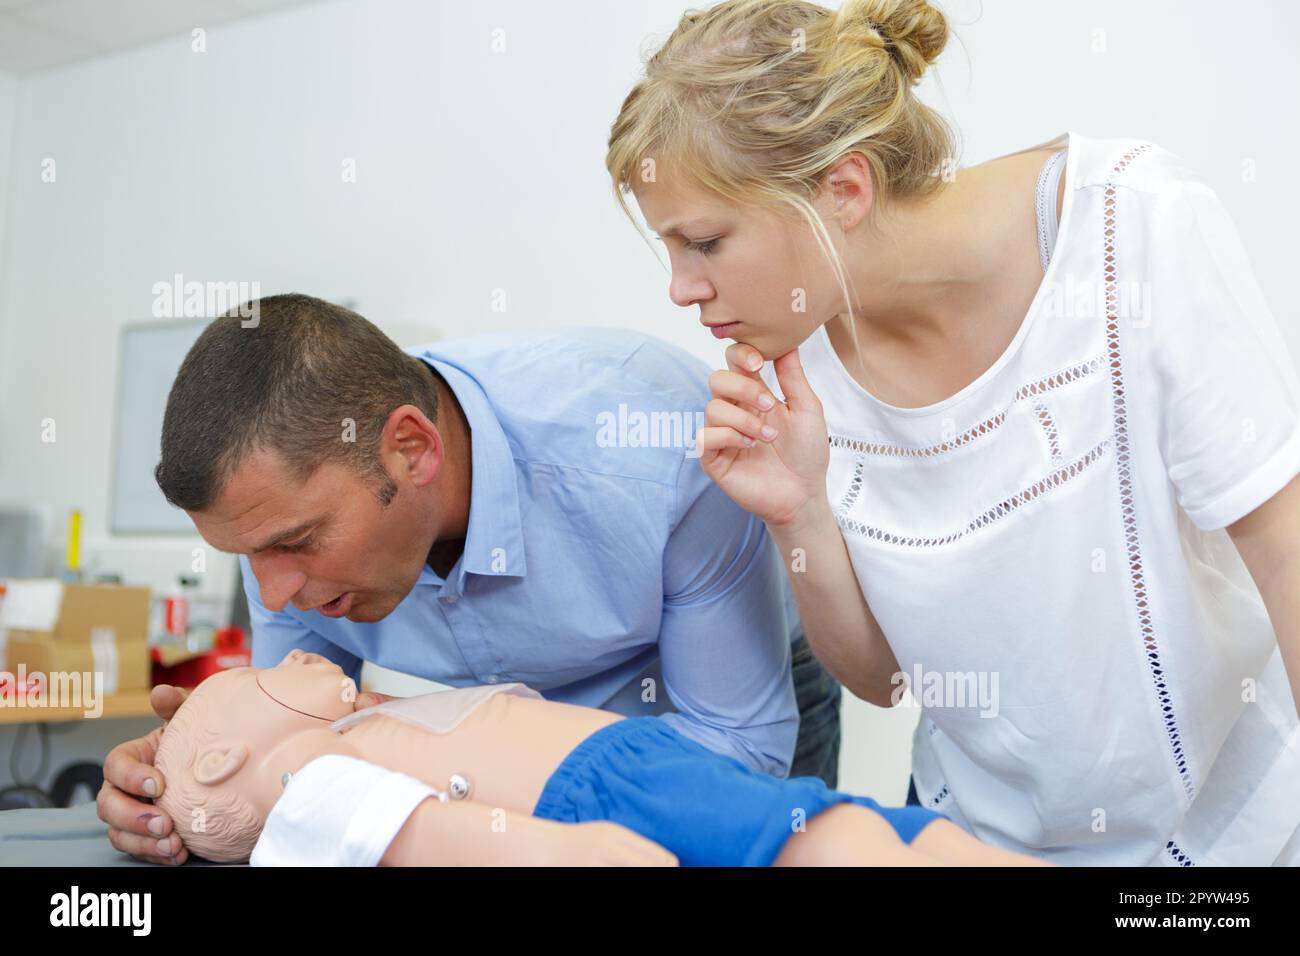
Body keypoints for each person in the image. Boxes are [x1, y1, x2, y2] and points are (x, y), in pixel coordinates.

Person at [606, 0, 1300, 865]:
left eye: (702, 242)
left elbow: (1286, 551)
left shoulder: (1130, 226)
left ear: (845, 189)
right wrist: (800, 516)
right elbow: (884, 681)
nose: (680, 289)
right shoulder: (800, 369)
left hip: (1230, 831)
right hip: (973, 837)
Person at [98, 294, 843, 865]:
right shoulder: (283, 519)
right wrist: (178, 782)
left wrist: (462, 785)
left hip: (704, 711)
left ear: (411, 450)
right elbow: (299, 749)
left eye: (297, 543)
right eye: (248, 553)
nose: (272, 596)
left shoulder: (655, 445)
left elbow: (738, 752)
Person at [152, 648, 1048, 866]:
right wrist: (584, 851)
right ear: (228, 759)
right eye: (267, 672)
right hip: (600, 792)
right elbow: (454, 836)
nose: (298, 653)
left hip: (637, 762)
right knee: (823, 836)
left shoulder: (358, 725)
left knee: (886, 828)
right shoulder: (309, 786)